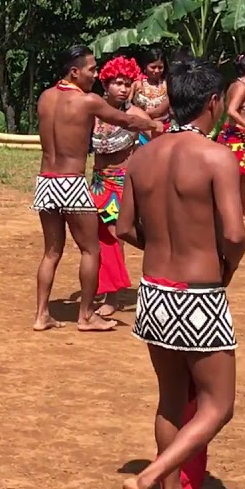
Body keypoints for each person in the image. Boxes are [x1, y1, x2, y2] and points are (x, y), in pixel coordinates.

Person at [115, 58, 245, 489]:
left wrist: (163, 248)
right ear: (214, 102)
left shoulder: (142, 156)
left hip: (153, 291)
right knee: (217, 405)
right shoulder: (216, 158)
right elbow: (234, 234)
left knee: (171, 401)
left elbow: (125, 227)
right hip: (199, 293)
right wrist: (224, 267)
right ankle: (148, 480)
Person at [33, 45, 158, 332]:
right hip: (72, 182)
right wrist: (154, 125)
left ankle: (42, 314)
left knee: (51, 251)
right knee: (91, 250)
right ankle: (87, 315)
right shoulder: (87, 101)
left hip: (45, 181)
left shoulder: (45, 98)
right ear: (74, 72)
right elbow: (126, 120)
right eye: (91, 69)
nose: (95, 74)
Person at [88, 55, 148, 317]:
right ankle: (104, 289)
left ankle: (112, 296)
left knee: (115, 237)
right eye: (118, 83)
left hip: (124, 183)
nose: (123, 89)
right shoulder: (94, 112)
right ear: (106, 84)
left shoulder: (135, 115)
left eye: (127, 84)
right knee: (97, 239)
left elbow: (158, 138)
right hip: (99, 183)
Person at [218, 52, 245, 222]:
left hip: (237, 135)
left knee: (243, 174)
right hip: (235, 136)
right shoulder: (241, 87)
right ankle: (243, 210)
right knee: (238, 174)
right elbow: (231, 110)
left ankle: (243, 209)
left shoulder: (237, 85)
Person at [132, 49, 169, 123]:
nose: (157, 71)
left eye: (160, 67)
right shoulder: (137, 85)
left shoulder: (168, 86)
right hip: (138, 127)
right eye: (153, 67)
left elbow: (162, 111)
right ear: (145, 66)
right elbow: (125, 105)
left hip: (163, 127)